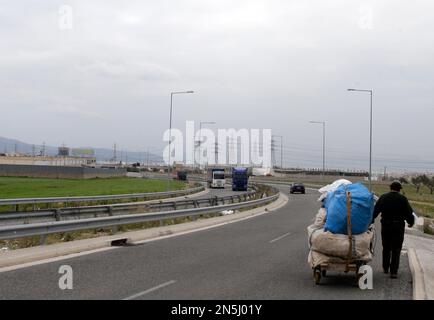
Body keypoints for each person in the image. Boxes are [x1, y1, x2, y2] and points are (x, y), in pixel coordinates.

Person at [372, 181, 414, 279]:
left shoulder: (383, 197)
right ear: (399, 189)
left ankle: (385, 267)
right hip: (398, 227)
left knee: (386, 247)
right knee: (396, 248)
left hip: (386, 226)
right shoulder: (403, 199)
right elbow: (409, 213)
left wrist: (371, 221)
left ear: (390, 188)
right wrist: (410, 222)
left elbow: (375, 211)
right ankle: (394, 272)